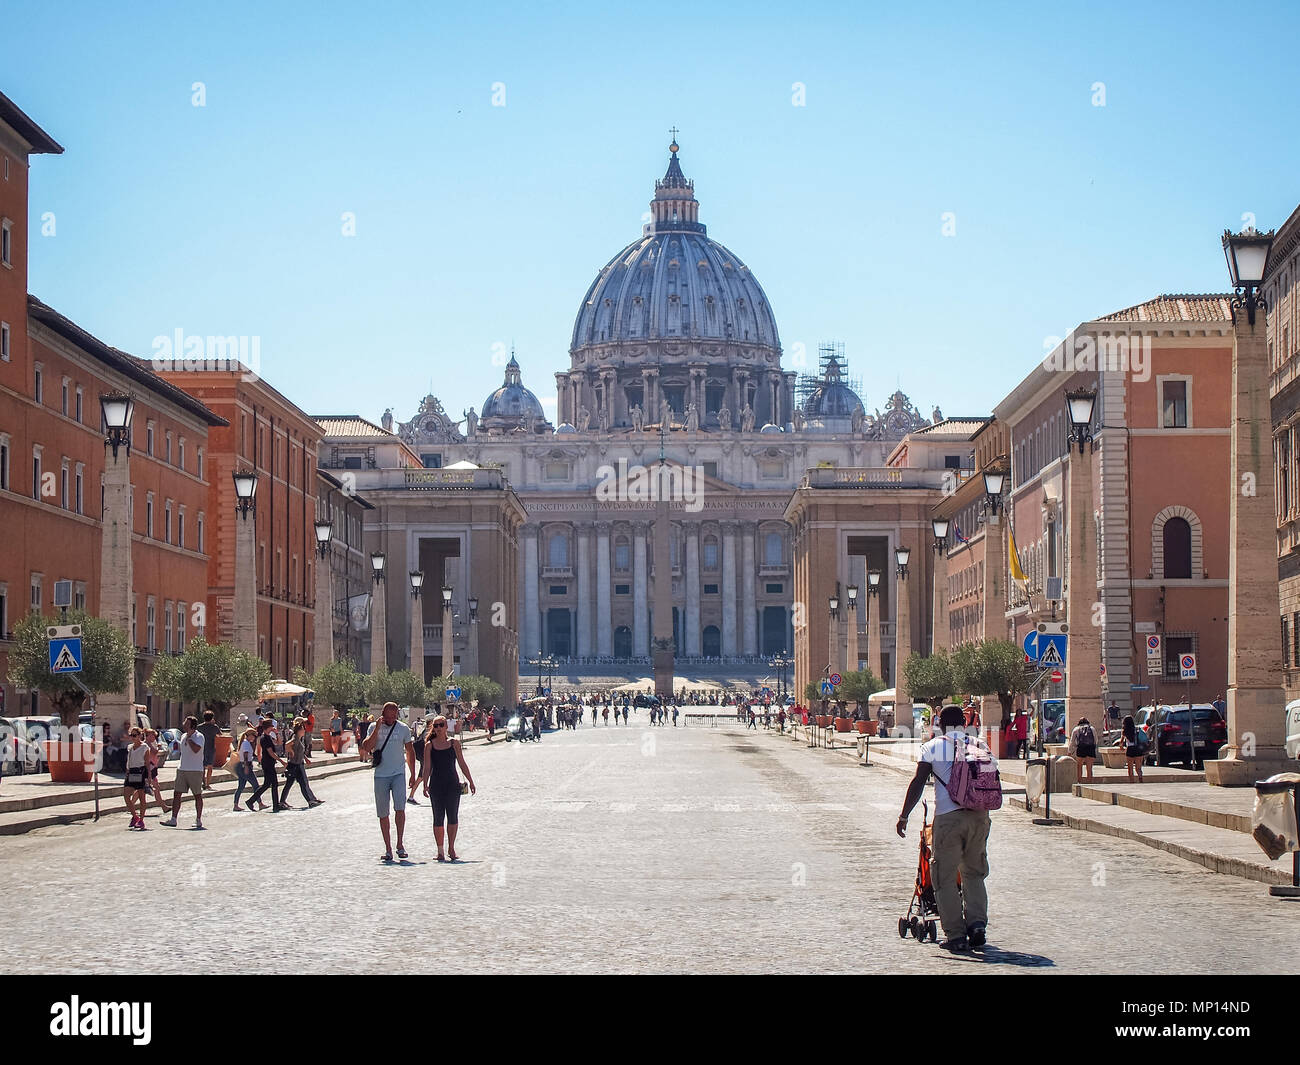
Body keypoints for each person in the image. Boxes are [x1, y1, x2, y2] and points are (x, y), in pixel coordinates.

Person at [896, 705, 993, 953]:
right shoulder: (980, 745)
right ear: (964, 722)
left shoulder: (932, 747)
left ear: (939, 722)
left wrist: (904, 815)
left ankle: (956, 934)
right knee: (974, 873)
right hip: (980, 817)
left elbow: (918, 782)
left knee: (944, 877)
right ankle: (977, 925)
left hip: (948, 817)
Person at [362, 702, 417, 862]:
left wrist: (413, 774)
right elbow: (366, 747)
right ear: (383, 714)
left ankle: (400, 844)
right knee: (383, 813)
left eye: (394, 717)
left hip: (398, 774)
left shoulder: (403, 728)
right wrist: (378, 728)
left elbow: (410, 751)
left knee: (400, 809)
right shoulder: (373, 727)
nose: (391, 720)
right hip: (381, 775)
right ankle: (388, 848)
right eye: (388, 717)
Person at [421, 714, 477, 861]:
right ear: (433, 728)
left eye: (441, 725)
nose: (439, 728)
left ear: (447, 727)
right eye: (436, 725)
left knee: (452, 816)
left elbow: (462, 763)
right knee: (438, 818)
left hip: (452, 784)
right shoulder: (429, 745)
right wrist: (424, 784)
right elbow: (427, 767)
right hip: (436, 785)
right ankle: (440, 850)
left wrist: (471, 781)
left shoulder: (454, 743)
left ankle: (451, 848)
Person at [162, 717, 206, 829]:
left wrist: (190, 740)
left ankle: (198, 820)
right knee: (177, 793)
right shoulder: (182, 736)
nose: (184, 724)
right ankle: (173, 819)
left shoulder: (199, 736)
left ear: (192, 725)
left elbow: (197, 750)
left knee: (197, 795)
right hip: (182, 768)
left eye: (186, 723)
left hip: (195, 770)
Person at [281, 719, 324, 808]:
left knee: (291, 784)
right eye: (303, 729)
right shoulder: (295, 738)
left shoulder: (299, 738)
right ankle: (310, 800)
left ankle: (282, 802)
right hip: (295, 765)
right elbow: (286, 745)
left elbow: (300, 750)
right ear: (299, 730)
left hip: (297, 763)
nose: (304, 731)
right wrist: (291, 751)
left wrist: (305, 758)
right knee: (303, 783)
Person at [249, 719, 287, 812]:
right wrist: (281, 761)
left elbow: (279, 743)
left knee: (267, 785)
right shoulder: (264, 738)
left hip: (269, 763)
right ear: (268, 727)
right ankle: (275, 805)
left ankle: (251, 801)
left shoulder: (269, 737)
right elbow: (270, 752)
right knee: (274, 784)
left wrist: (277, 733)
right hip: (267, 763)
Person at [124, 728, 150, 830]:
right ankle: (135, 816)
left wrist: (149, 776)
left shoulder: (144, 747)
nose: (133, 737)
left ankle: (142, 820)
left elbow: (147, 762)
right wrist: (127, 771)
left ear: (140, 736)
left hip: (141, 772)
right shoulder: (130, 747)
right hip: (131, 772)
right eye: (131, 735)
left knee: (141, 797)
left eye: (135, 735)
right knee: (126, 795)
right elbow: (129, 761)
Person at [233, 726, 262, 811]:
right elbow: (245, 755)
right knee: (256, 786)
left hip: (242, 766)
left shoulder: (245, 743)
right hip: (246, 766)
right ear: (249, 735)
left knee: (241, 787)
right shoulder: (246, 743)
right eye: (253, 736)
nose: (254, 738)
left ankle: (235, 804)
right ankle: (260, 803)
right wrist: (246, 767)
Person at [143, 728, 169, 814]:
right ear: (148, 736)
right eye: (152, 735)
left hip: (152, 768)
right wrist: (153, 746)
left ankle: (131, 804)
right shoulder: (146, 745)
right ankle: (163, 807)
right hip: (148, 769)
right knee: (156, 787)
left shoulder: (150, 744)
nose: (154, 737)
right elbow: (154, 752)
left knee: (143, 789)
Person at [1069, 716, 1098, 782]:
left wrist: (1070, 751)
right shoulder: (1092, 728)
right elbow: (1096, 740)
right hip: (1090, 749)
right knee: (1089, 767)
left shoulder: (1076, 729)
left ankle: (1079, 781)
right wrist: (1093, 747)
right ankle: (1089, 781)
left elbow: (1072, 741)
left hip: (1081, 748)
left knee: (1079, 766)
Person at [197, 709, 220, 790]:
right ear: (212, 718)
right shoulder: (214, 727)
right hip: (211, 748)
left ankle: (202, 782)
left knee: (202, 767)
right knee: (210, 767)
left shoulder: (199, 727)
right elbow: (220, 735)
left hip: (201, 748)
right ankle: (207, 784)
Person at [1121, 714, 1145, 784]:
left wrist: (1122, 747)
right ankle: (1140, 779)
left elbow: (1121, 742)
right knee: (1138, 768)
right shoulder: (1137, 729)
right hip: (1138, 749)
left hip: (1130, 749)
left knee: (1130, 768)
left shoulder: (1124, 731)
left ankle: (1132, 781)